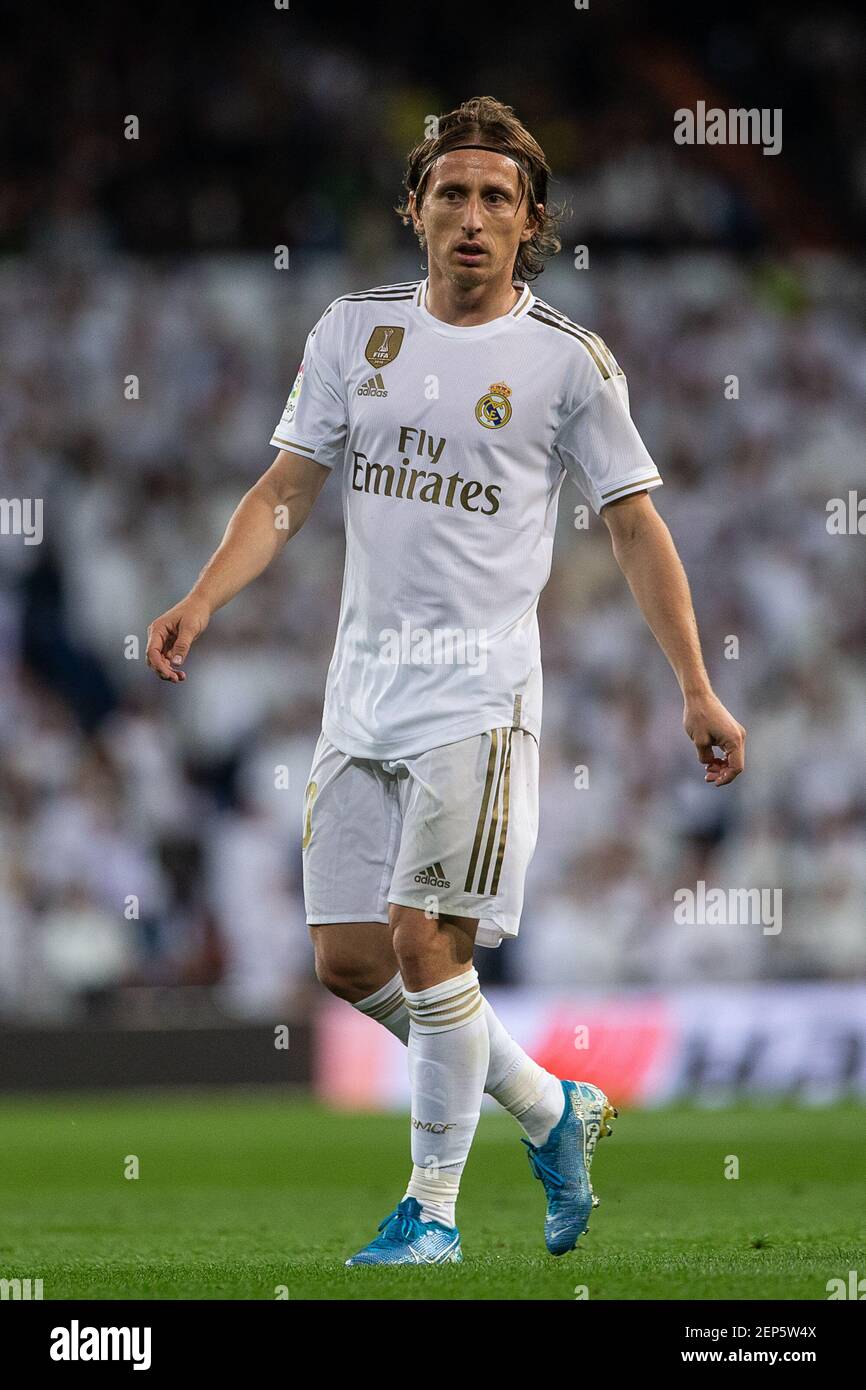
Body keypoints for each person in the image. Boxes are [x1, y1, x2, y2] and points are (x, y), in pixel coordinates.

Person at [146, 96, 746, 1266]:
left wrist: (693, 684)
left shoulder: (566, 362)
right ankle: (549, 1108)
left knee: (429, 942)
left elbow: (634, 527)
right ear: (414, 209)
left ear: (530, 225)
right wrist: (204, 593)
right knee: (350, 961)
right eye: (452, 194)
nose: (472, 218)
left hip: (477, 694)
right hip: (359, 688)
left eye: (497, 200)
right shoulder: (350, 331)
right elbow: (285, 488)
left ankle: (431, 1212)